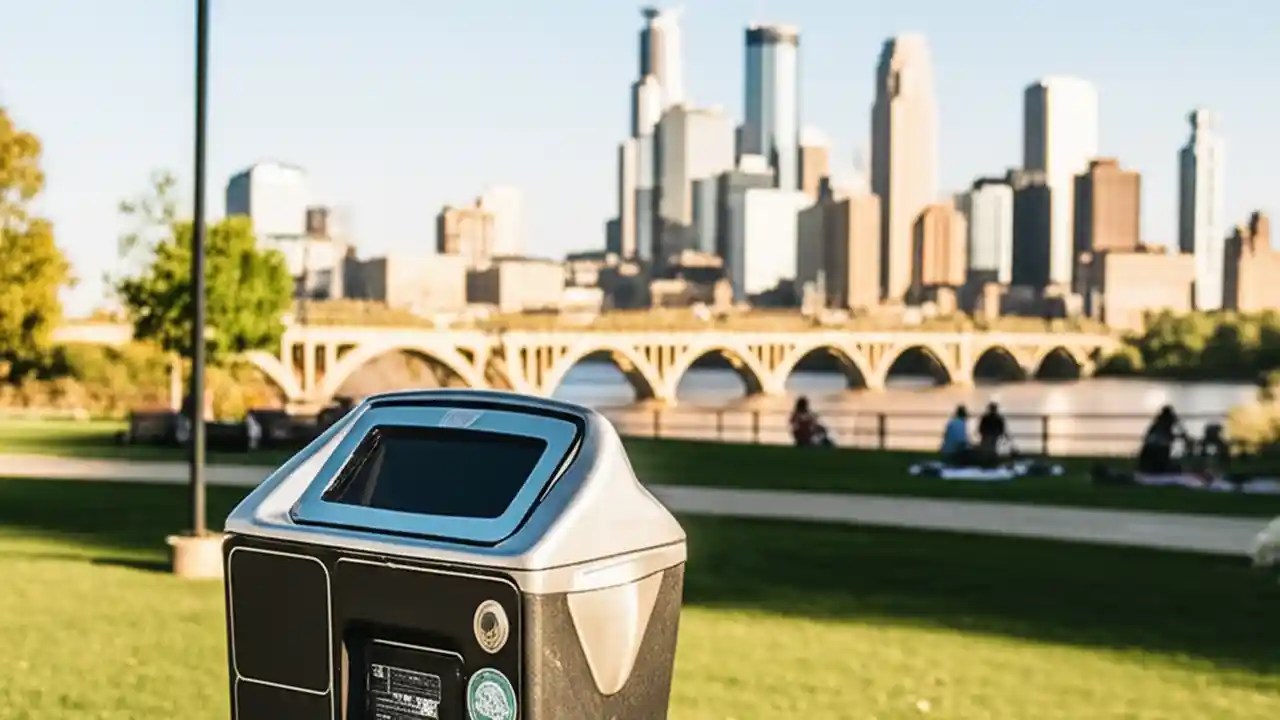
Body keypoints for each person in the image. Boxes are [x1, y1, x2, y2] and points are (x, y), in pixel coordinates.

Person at [1137, 405, 1187, 474]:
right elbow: (1166, 439)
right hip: (1154, 460)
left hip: (1151, 460)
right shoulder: (1160, 427)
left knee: (1176, 467)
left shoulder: (1157, 425)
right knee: (1176, 468)